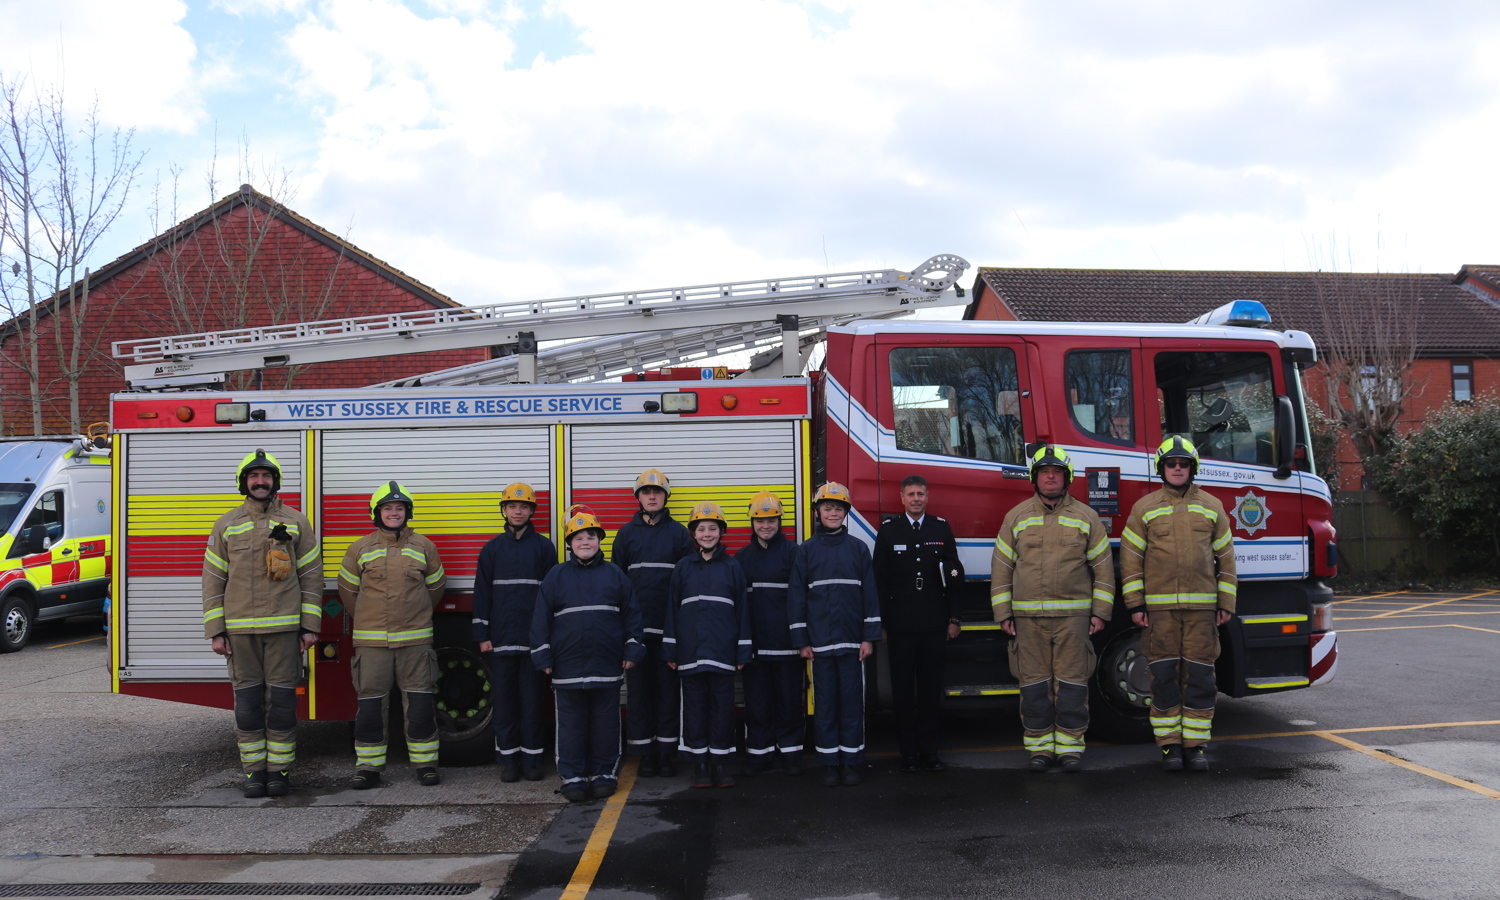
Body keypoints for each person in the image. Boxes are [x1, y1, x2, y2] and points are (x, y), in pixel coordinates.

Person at [203, 449, 322, 798]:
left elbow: (312, 577)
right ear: (244, 482)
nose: (260, 481)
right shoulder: (226, 524)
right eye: (254, 476)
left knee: (283, 703)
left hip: (284, 630)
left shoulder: (297, 522)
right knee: (248, 704)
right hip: (240, 633)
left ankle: (279, 771)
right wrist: (216, 630)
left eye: (266, 476)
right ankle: (254, 773)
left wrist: (310, 626)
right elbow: (212, 580)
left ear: (275, 481)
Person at [990, 445, 1114, 773]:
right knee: (1033, 686)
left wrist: (1100, 613)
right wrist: (1004, 613)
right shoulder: (1015, 517)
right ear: (1035, 477)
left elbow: (1103, 569)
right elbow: (1001, 568)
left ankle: (1071, 748)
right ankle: (1040, 749)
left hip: (1073, 619)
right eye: (1044, 471)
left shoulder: (1087, 518)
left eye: (1056, 472)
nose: (1049, 477)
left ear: (1066, 478)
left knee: (1073, 684)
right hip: (1028, 621)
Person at [1120, 436, 1237, 773]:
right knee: (1164, 678)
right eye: (1171, 464)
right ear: (1162, 468)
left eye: (1182, 464)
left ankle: (1196, 747)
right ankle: (1170, 747)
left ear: (1191, 468)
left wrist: (1225, 601)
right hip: (1159, 614)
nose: (1176, 469)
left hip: (1202, 612)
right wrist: (1135, 604)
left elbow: (1226, 560)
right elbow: (1131, 560)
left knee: (1201, 679)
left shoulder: (1212, 506)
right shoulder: (1145, 508)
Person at [337, 482, 448, 788]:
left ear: (407, 512)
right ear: (377, 513)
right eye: (388, 508)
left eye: (399, 508)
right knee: (371, 706)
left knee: (422, 705)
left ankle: (425, 765)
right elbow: (347, 591)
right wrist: (368, 619)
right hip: (372, 644)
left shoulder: (424, 546)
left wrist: (416, 613)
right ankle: (368, 768)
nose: (394, 513)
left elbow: (436, 588)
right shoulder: (359, 548)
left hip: (415, 641)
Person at [532, 510, 646, 802]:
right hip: (567, 667)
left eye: (591, 537)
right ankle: (573, 778)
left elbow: (632, 615)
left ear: (599, 541)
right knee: (571, 727)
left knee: (605, 725)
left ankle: (604, 775)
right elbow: (540, 619)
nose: (585, 542)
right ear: (570, 543)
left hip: (606, 666)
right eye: (578, 537)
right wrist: (543, 656)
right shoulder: (556, 576)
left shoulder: (615, 574)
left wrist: (633, 648)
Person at [789, 482, 881, 787]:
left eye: (838, 508)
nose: (832, 513)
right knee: (825, 705)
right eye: (827, 508)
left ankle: (851, 761)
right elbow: (797, 598)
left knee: (852, 704)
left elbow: (870, 595)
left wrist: (869, 637)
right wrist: (801, 640)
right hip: (819, 644)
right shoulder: (806, 551)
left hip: (853, 643)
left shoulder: (858, 549)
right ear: (817, 511)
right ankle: (829, 762)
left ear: (846, 513)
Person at [873, 475, 964, 773]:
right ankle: (908, 754)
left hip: (934, 626)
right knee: (901, 693)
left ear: (927, 496)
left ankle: (929, 753)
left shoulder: (941, 527)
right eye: (910, 494)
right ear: (901, 497)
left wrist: (954, 618)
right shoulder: (888, 531)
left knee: (929, 693)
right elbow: (879, 582)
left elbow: (955, 577)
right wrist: (882, 625)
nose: (915, 498)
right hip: (899, 629)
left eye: (920, 494)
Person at [611, 469, 693, 777]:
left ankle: (665, 753)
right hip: (636, 633)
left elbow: (688, 583)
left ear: (665, 496)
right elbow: (616, 584)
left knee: (668, 693)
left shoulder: (680, 533)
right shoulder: (625, 534)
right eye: (646, 492)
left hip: (669, 632)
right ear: (638, 497)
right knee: (639, 695)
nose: (652, 496)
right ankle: (644, 754)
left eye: (657, 492)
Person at [664, 501, 752, 789]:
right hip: (690, 654)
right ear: (693, 534)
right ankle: (701, 766)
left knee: (722, 710)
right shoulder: (682, 568)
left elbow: (742, 612)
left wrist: (742, 648)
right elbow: (672, 610)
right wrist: (671, 648)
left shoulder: (732, 567)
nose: (707, 533)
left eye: (713, 528)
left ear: (721, 532)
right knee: (694, 710)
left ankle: (721, 764)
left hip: (722, 653)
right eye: (701, 529)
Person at [473, 482, 557, 783]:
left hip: (533, 641)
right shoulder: (492, 549)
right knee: (506, 702)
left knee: (533, 702)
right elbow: (482, 593)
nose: (518, 511)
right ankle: (509, 761)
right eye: (512, 506)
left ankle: (533, 760)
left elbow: (552, 597)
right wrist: (483, 634)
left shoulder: (545, 548)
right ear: (504, 510)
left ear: (532, 510)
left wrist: (548, 638)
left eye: (523, 506)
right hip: (502, 640)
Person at [735, 492, 804, 776]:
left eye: (771, 520)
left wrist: (801, 640)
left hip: (787, 646)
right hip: (756, 648)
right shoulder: (740, 558)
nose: (766, 525)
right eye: (760, 520)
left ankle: (790, 755)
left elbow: (801, 599)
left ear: (779, 521)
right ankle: (759, 755)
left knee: (789, 703)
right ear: (752, 521)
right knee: (757, 704)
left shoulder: (794, 554)